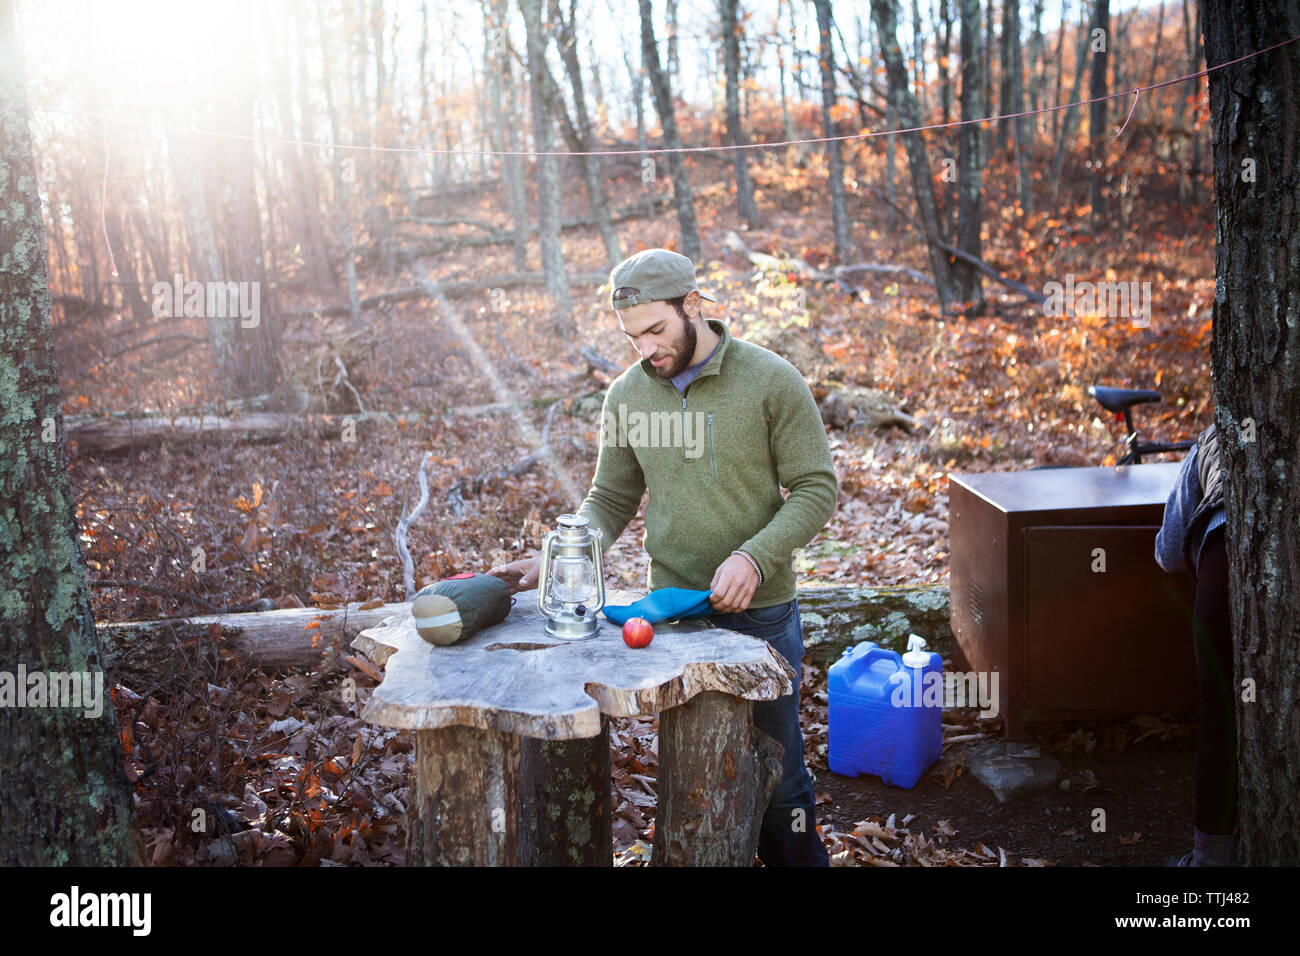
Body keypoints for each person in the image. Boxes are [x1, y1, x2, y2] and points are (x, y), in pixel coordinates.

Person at [489, 248, 839, 866]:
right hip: (673, 618)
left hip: (761, 614)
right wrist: (561, 552)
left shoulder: (770, 379)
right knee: (694, 775)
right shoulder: (627, 396)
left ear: (694, 306)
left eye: (656, 329)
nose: (645, 348)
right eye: (631, 337)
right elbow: (610, 498)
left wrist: (755, 558)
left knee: (780, 776)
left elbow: (817, 487)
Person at [1154, 422, 1235, 867]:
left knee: (1220, 720)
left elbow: (1167, 552)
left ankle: (1210, 861)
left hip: (1221, 559)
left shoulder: (1214, 435)